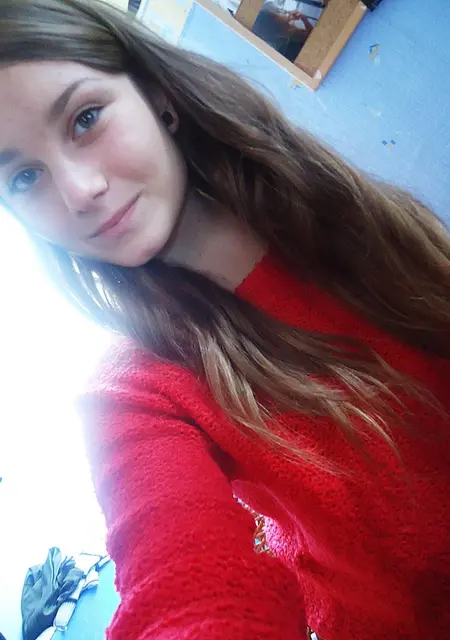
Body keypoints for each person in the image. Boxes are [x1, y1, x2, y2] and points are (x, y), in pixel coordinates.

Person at [0, 1, 449, 638]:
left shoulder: (344, 216)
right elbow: (180, 591)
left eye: (85, 118)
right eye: (23, 178)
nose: (79, 192)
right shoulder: (133, 398)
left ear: (157, 97)